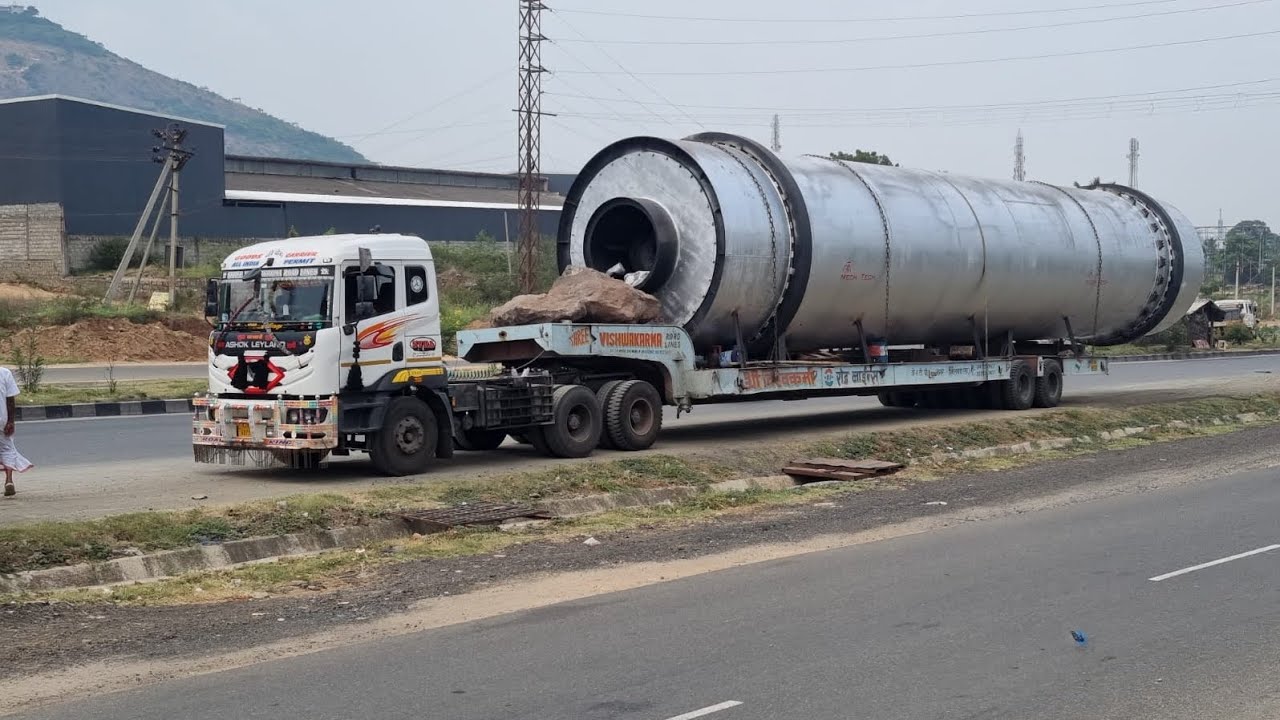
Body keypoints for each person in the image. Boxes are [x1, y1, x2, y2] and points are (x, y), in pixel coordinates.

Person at [0, 366, 32, 496]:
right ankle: (9, 480)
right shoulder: (4, 373)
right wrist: (11, 421)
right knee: (7, 449)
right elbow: (10, 400)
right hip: (1, 420)